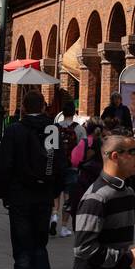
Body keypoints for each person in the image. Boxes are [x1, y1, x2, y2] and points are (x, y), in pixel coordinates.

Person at [0, 90, 67, 269]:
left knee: (22, 253)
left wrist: (4, 194)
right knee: (39, 246)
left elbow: (5, 165)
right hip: (43, 196)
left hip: (20, 196)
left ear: (24, 107)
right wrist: (54, 190)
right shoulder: (52, 129)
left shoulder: (16, 130)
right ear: (44, 106)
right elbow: (59, 163)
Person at [70, 127, 135, 269]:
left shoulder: (127, 192)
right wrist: (127, 258)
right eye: (132, 152)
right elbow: (84, 249)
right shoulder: (96, 198)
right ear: (115, 156)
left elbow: (116, 241)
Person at [52, 99, 84, 237]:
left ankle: (53, 216)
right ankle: (64, 227)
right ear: (74, 113)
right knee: (68, 197)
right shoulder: (79, 129)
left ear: (62, 113)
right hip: (72, 166)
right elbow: (82, 149)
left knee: (55, 194)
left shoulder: (55, 127)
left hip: (56, 166)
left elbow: (50, 148)